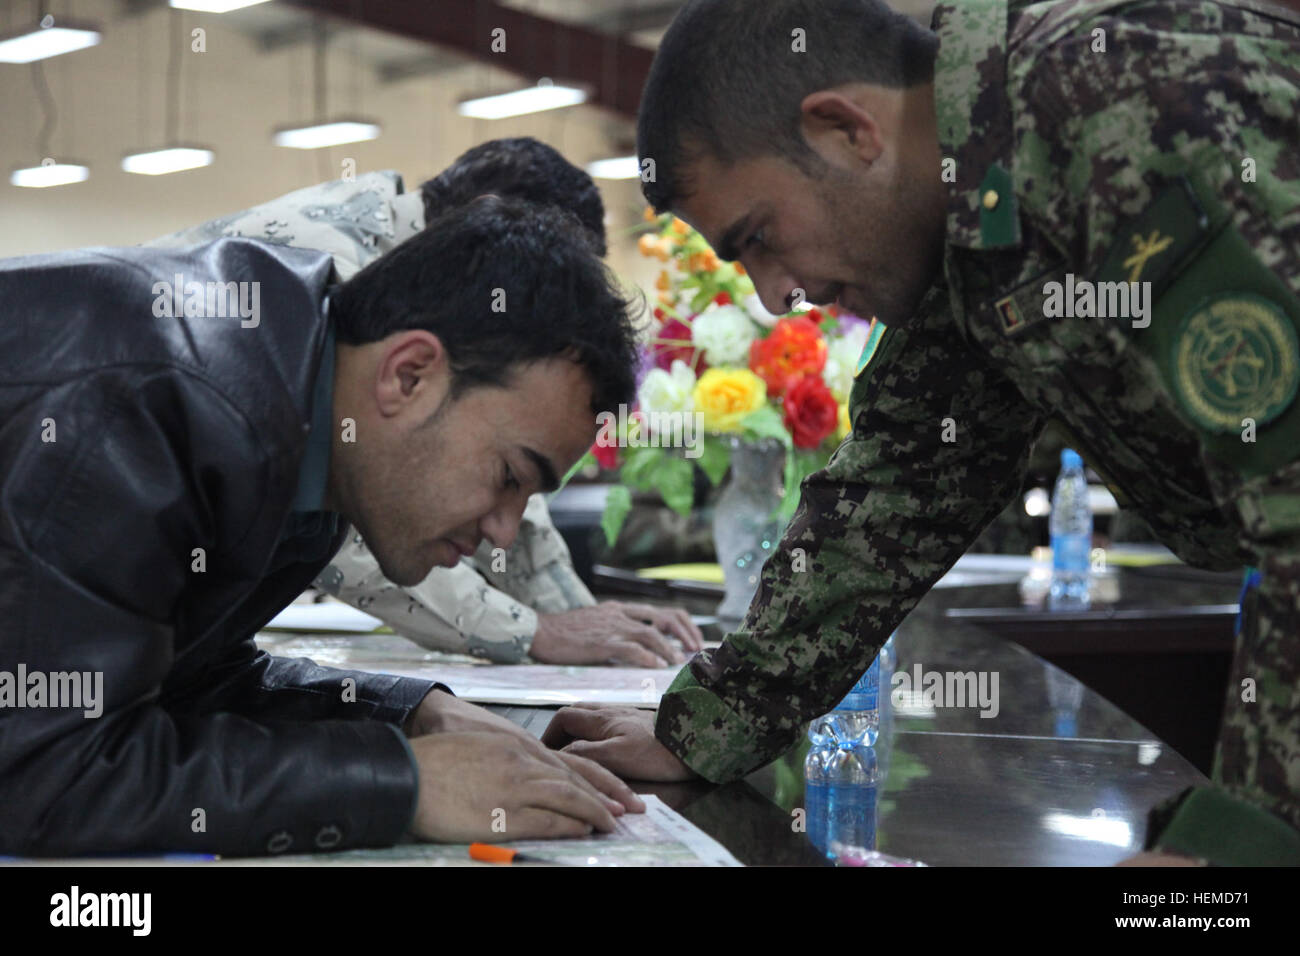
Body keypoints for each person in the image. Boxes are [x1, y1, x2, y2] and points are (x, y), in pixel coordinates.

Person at [544, 0, 1300, 865]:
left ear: (844, 131)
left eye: (760, 238)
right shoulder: (970, 217)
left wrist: (1244, 853)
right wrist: (705, 727)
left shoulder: (1109, 108)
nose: (775, 295)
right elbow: (892, 494)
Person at [0, 196, 646, 856]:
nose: (507, 532)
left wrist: (410, 715)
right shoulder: (149, 406)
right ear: (409, 374)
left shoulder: (308, 411)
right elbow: (47, 773)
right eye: (511, 475)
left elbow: (187, 683)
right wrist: (403, 782)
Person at [151, 137, 702, 666]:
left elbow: (502, 476)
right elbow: (361, 507)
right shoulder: (326, 269)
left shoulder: (400, 265)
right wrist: (528, 631)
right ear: (493, 230)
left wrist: (588, 622)